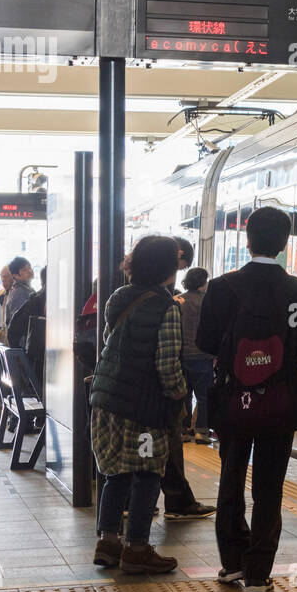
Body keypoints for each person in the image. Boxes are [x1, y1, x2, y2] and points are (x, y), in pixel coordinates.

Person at [198, 206, 297, 592]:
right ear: (284, 244)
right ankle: (258, 573)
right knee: (270, 485)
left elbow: (205, 342)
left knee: (231, 477)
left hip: (234, 397)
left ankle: (232, 563)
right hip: (281, 400)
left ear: (247, 240)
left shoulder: (221, 287)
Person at [88, 236, 190, 574]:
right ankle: (137, 548)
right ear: (169, 267)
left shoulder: (118, 297)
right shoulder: (167, 307)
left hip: (106, 401)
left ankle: (108, 541)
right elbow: (167, 364)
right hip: (142, 410)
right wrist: (180, 396)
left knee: (115, 472)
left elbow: (109, 342)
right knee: (147, 474)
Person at [157, 237, 216, 520]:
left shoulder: (175, 300)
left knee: (170, 439)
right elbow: (168, 356)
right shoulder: (168, 302)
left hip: (182, 361)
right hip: (197, 359)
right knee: (201, 398)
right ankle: (202, 431)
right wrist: (175, 389)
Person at [178, 267, 214, 445]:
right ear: (202, 282)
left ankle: (183, 431)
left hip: (182, 355)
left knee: (184, 394)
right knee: (204, 396)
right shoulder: (209, 301)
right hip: (203, 355)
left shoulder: (179, 300)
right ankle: (201, 432)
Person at [5, 256, 35, 325]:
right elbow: (22, 321)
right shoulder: (19, 292)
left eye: (30, 267)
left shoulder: (26, 289)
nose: (30, 271)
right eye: (24, 270)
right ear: (15, 275)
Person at [0, 265, 14, 330]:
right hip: (1, 336)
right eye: (1, 277)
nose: (3, 280)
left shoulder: (18, 295)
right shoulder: (0, 295)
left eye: (6, 276)